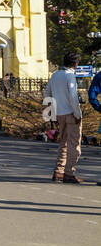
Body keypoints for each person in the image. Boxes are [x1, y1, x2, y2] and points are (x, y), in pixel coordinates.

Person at [43, 54, 83, 184]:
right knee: (74, 144)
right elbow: (73, 96)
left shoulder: (55, 75)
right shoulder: (70, 76)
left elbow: (47, 94)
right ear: (75, 64)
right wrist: (78, 114)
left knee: (63, 143)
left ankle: (59, 170)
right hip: (71, 113)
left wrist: (51, 114)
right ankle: (69, 173)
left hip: (59, 114)